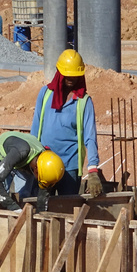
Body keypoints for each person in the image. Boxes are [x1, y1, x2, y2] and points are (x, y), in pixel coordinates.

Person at [30, 49, 104, 197]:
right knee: (41, 211)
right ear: (59, 72)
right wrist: (31, 159)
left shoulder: (84, 102)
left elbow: (90, 137)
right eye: (67, 75)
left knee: (67, 210)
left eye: (75, 76)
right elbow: (35, 128)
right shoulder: (45, 94)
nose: (71, 79)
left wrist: (93, 170)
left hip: (69, 167)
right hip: (45, 164)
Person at [0, 131, 65, 211]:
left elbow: (44, 193)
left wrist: (41, 213)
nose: (38, 179)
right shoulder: (21, 152)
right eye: (39, 178)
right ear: (36, 169)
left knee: (25, 195)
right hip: (3, 153)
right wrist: (13, 207)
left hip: (23, 157)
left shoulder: (46, 163)